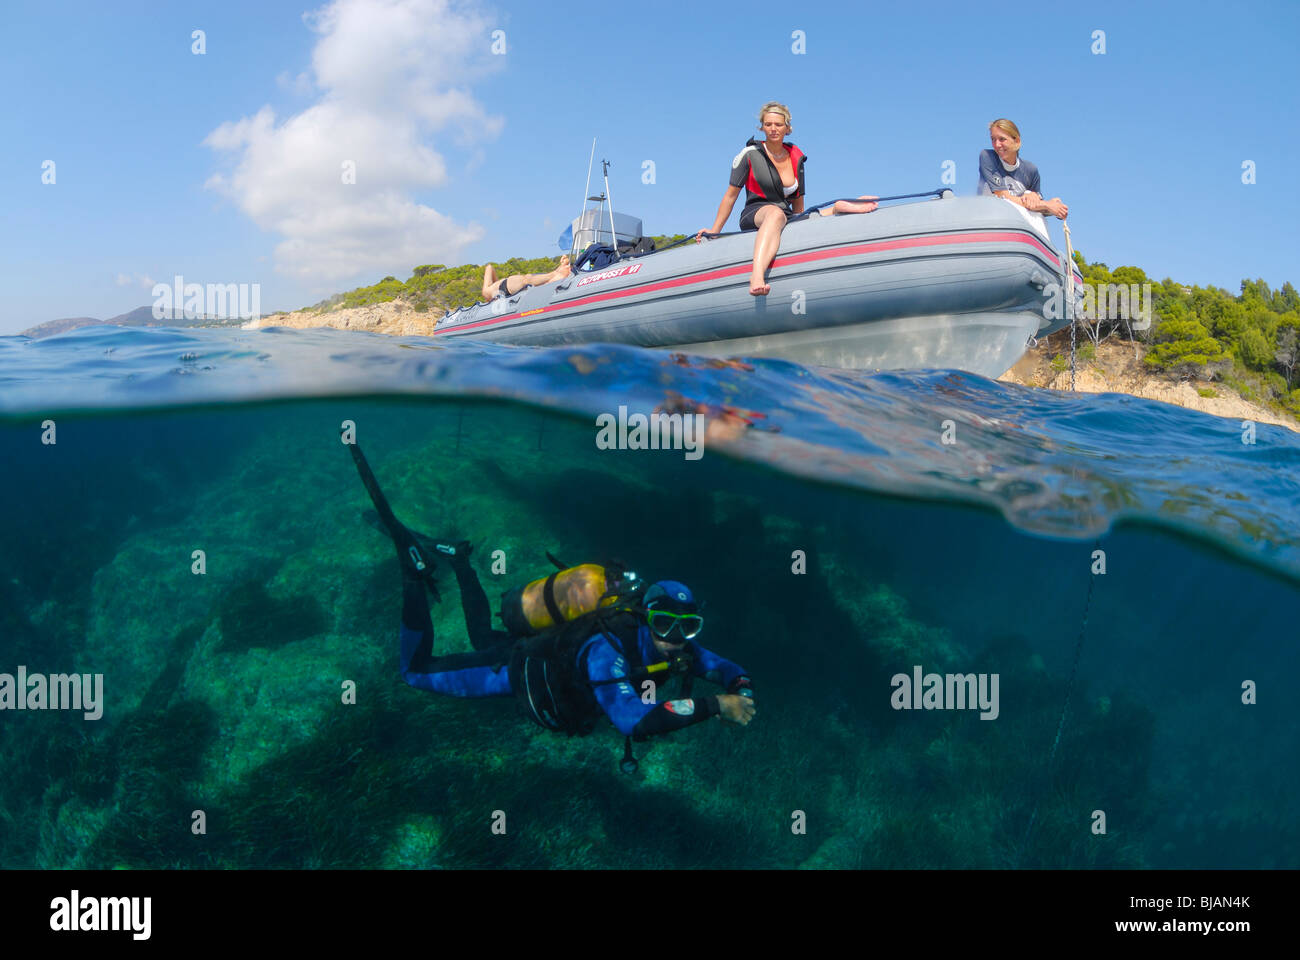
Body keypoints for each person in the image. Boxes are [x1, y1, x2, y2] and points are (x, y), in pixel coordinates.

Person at [346, 439, 757, 759]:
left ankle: (459, 560)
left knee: (480, 635)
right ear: (645, 616)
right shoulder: (607, 649)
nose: (676, 635)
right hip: (515, 670)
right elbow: (633, 721)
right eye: (665, 622)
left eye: (687, 626)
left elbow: (726, 667)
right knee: (414, 672)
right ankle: (412, 577)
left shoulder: (675, 643)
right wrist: (716, 705)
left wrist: (741, 689)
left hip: (541, 651)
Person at [697, 102, 878, 296]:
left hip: (786, 214)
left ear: (787, 127)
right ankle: (756, 276)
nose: (773, 129)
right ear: (762, 127)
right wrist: (715, 231)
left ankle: (837, 207)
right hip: (756, 211)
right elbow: (730, 196)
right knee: (775, 214)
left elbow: (798, 203)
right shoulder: (749, 154)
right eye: (768, 125)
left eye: (778, 124)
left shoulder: (796, 156)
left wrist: (806, 224)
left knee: (792, 215)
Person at [978, 119, 1068, 220]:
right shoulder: (988, 157)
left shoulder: (1030, 170)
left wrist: (1057, 209)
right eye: (993, 139)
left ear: (1017, 141)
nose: (997, 145)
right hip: (988, 221)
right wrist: (1046, 205)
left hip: (1015, 225)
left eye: (1002, 139)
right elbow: (1002, 197)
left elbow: (1034, 206)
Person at [480, 255, 571, 302]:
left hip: (505, 288)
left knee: (528, 280)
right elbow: (489, 267)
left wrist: (496, 283)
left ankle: (556, 273)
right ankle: (557, 272)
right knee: (527, 279)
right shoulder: (487, 291)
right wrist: (497, 281)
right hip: (505, 285)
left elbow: (489, 267)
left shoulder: (487, 292)